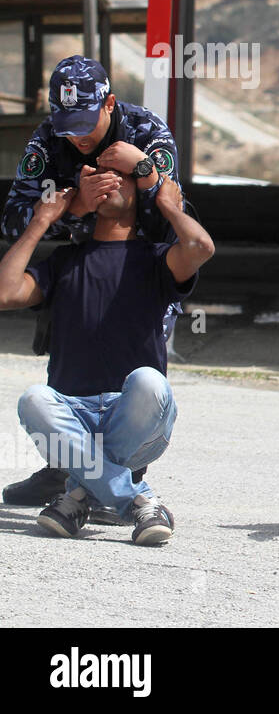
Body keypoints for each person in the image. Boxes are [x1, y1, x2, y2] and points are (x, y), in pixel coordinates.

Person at [1, 55, 180, 511]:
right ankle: (80, 476)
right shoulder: (48, 138)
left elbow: (173, 222)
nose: (76, 136)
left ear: (109, 105)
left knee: (135, 378)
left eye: (85, 123)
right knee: (70, 366)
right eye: (67, 124)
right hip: (75, 263)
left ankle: (100, 476)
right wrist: (75, 209)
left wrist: (145, 172)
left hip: (142, 269)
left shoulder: (147, 133)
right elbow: (13, 216)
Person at [0, 169, 213, 544]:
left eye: (122, 178)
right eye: (99, 176)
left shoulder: (156, 258)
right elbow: (5, 293)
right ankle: (134, 501)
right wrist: (42, 220)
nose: (110, 181)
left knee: (149, 381)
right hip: (73, 417)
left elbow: (201, 247)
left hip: (134, 417)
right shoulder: (64, 261)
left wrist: (166, 203)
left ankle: (78, 492)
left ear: (140, 196)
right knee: (33, 398)